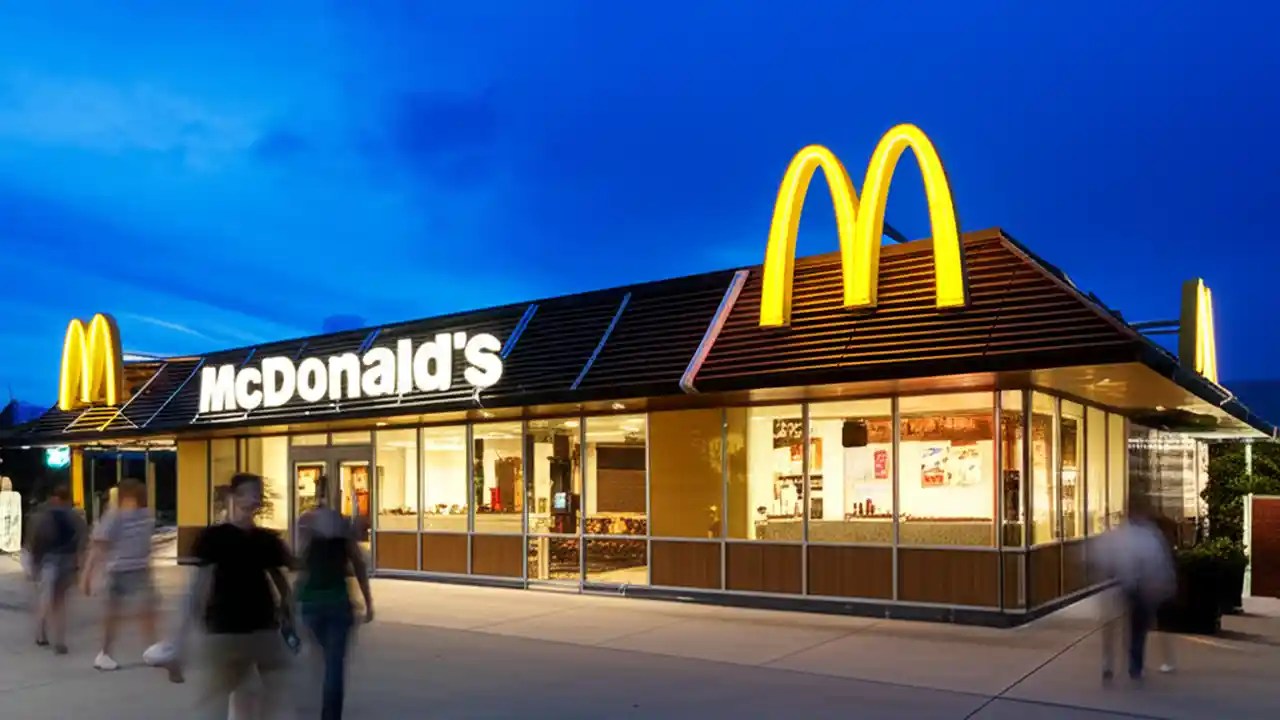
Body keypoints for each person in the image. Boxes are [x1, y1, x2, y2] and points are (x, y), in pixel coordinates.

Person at [168, 473, 296, 719]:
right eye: (245, 493)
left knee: (264, 694)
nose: (251, 499)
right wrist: (179, 643)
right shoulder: (214, 538)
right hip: (224, 630)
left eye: (256, 494)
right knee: (216, 700)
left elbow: (283, 586)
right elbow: (197, 590)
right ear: (232, 497)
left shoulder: (266, 540)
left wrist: (291, 623)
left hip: (262, 628)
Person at [296, 476, 374, 720]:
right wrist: (368, 601)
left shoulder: (308, 531)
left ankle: (309, 703)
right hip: (337, 603)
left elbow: (300, 568)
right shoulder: (342, 534)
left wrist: (290, 603)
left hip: (311, 604)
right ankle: (330, 715)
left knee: (317, 658)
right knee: (334, 664)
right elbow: (359, 566)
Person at [81, 478, 158, 671]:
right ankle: (105, 654)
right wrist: (88, 575)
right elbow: (99, 545)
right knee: (113, 615)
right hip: (118, 571)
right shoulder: (115, 517)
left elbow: (145, 543)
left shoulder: (145, 516)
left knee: (147, 611)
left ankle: (152, 650)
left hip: (140, 570)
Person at [1096, 504, 1176, 681]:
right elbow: (1156, 562)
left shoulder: (1120, 536)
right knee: (1137, 628)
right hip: (1139, 587)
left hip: (1118, 585)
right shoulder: (1149, 536)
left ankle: (1108, 663)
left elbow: (1104, 558)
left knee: (1112, 626)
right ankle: (1134, 666)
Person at [28, 484, 86, 654]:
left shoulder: (42, 515)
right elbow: (83, 538)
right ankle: (60, 640)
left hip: (48, 560)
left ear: (54, 498)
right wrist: (80, 562)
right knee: (60, 602)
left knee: (45, 598)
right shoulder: (75, 516)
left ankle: (41, 633)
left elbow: (34, 540)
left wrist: (34, 563)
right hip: (67, 560)